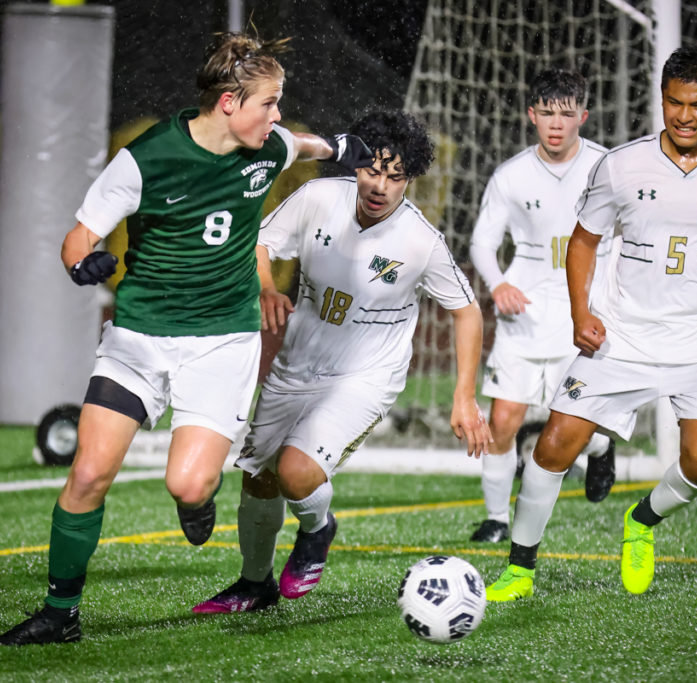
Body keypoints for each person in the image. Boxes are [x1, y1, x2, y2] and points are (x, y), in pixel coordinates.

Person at [0, 32, 373, 646]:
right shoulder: (146, 158)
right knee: (88, 473)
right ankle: (59, 615)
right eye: (268, 103)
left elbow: (302, 145)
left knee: (188, 484)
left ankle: (197, 499)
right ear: (228, 101)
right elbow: (77, 236)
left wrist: (342, 147)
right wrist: (81, 264)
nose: (276, 117)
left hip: (222, 343)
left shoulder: (267, 146)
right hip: (138, 340)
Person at [485, 45, 697, 601]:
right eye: (674, 102)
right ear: (661, 98)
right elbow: (583, 245)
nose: (684, 115)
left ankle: (641, 523)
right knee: (555, 444)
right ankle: (519, 569)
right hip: (624, 335)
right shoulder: (622, 165)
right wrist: (583, 314)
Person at [190, 109, 492, 614]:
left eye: (395, 177)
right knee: (258, 476)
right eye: (372, 170)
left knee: (296, 472)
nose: (380, 185)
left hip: (364, 378)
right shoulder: (317, 198)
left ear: (409, 180)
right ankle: (254, 584)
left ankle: (318, 528)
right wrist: (266, 287)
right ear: (357, 165)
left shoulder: (420, 242)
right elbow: (259, 243)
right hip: (297, 364)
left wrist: (464, 397)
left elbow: (467, 311)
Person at [467, 68, 615, 544]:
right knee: (503, 421)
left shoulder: (606, 168)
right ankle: (495, 519)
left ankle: (601, 445)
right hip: (525, 315)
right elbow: (481, 245)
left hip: (584, 314)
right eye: (547, 113)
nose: (556, 123)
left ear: (583, 117)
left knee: (571, 426)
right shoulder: (510, 176)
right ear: (532, 115)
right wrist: (497, 285)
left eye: (567, 114)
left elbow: (630, 234)